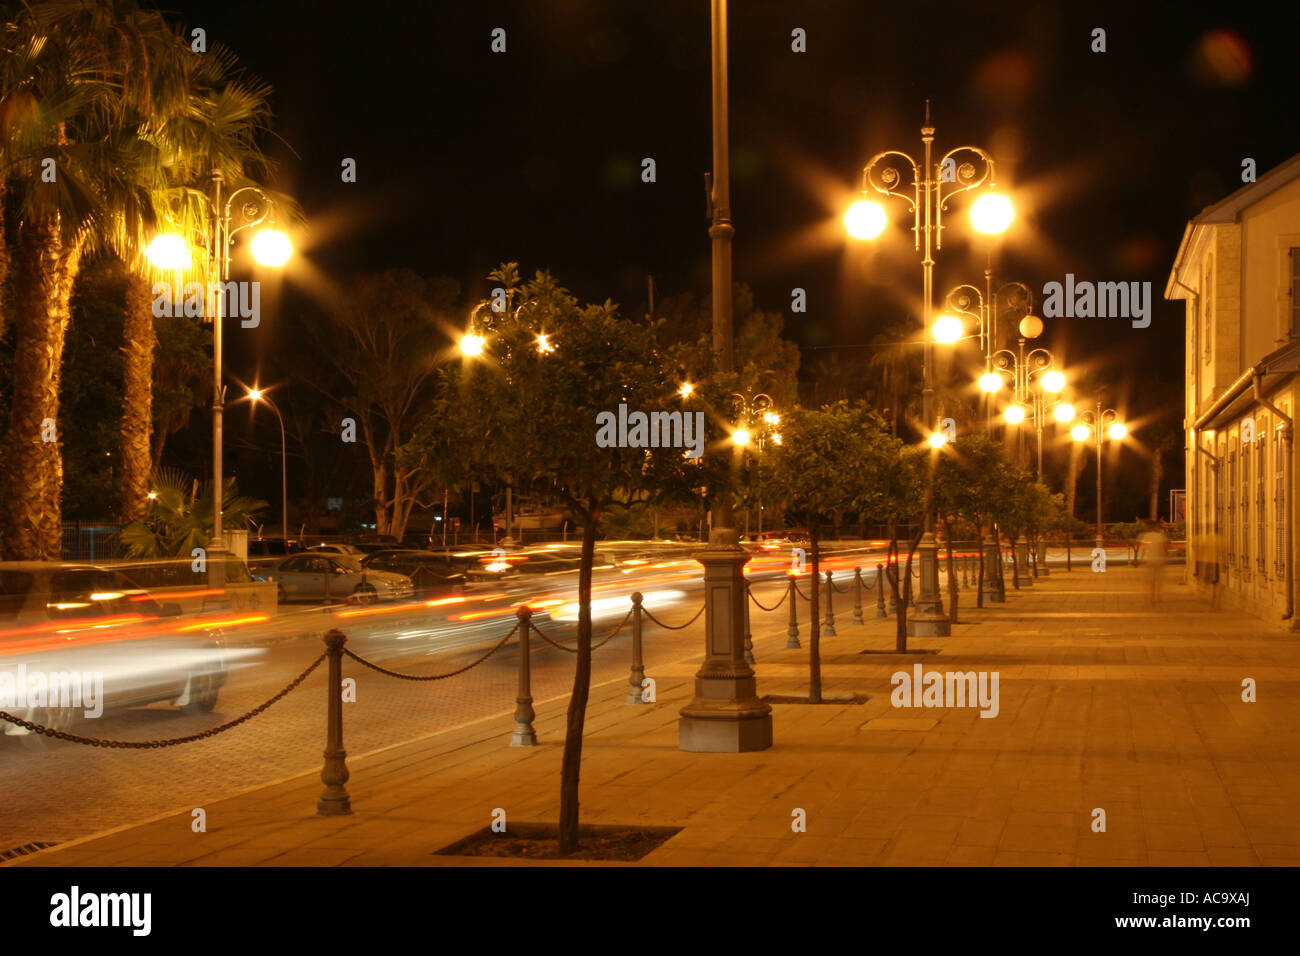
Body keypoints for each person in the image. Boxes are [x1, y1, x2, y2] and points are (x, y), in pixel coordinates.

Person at [1138, 521, 1169, 602]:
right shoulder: (1160, 536)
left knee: (1151, 579)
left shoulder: (1146, 536)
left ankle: (1151, 597)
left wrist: (1141, 559)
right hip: (1159, 560)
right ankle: (1158, 597)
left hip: (1150, 560)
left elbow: (1143, 548)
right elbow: (1164, 548)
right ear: (1156, 528)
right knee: (1158, 580)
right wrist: (1165, 558)